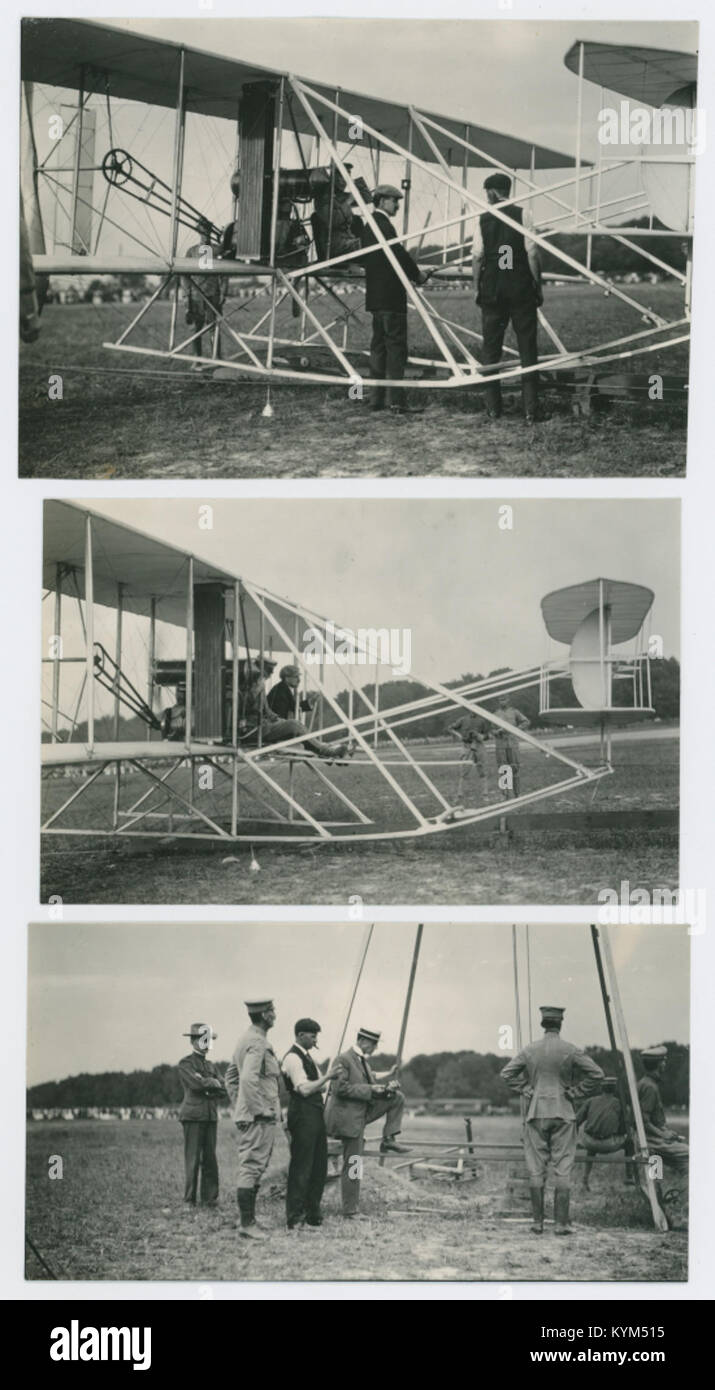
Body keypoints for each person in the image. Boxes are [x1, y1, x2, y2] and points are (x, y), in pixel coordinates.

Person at [501, 1005, 604, 1236]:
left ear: (542, 1024)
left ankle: (537, 1223)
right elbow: (597, 1074)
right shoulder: (570, 1050)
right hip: (564, 1113)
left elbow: (506, 1073)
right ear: (560, 1024)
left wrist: (526, 1089)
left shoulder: (530, 1050)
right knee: (563, 1170)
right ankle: (560, 1224)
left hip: (536, 1113)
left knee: (536, 1171)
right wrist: (576, 1092)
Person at [473, 172, 543, 423]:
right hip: (520, 289)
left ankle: (493, 408)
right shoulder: (524, 214)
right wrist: (538, 285)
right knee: (527, 349)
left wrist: (475, 287)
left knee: (490, 349)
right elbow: (532, 253)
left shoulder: (482, 219)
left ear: (492, 192)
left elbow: (478, 256)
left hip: (492, 290)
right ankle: (531, 410)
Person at [325, 1027, 410, 1219]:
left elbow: (371, 1084)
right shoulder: (343, 1059)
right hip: (346, 1120)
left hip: (360, 1114)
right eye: (373, 1044)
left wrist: (386, 1087)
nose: (374, 1049)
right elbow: (340, 1088)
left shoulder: (362, 1061)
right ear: (362, 1040)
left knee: (396, 1097)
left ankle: (389, 1138)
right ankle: (350, 1210)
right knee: (354, 1163)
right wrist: (372, 1089)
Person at [361, 184, 428, 416]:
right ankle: (397, 402)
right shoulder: (383, 226)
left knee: (378, 349)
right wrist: (418, 275)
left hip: (376, 298)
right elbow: (398, 254)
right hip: (391, 299)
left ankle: (375, 400)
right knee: (396, 350)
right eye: (393, 201)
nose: (397, 205)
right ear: (381, 201)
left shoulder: (369, 225)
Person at [226, 998, 282, 1241]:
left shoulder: (245, 1039)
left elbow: (230, 1077)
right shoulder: (257, 1042)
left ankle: (246, 1219)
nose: (275, 1014)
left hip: (252, 1114)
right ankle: (247, 1224)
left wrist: (241, 1107)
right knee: (252, 1167)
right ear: (266, 1016)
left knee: (254, 1166)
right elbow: (247, 1079)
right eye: (273, 1011)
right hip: (259, 1117)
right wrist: (258, 1110)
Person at [281, 1018, 340, 1230]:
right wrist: (327, 1078)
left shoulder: (308, 1058)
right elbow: (304, 1089)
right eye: (313, 1035)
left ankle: (312, 1213)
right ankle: (294, 1216)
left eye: (317, 1035)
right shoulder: (292, 1058)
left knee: (318, 1166)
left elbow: (319, 1087)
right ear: (300, 1035)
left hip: (315, 1114)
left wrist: (325, 1080)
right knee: (301, 1166)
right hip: (302, 1114)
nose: (316, 1039)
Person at [240, 670, 349, 760]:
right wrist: (281, 721)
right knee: (294, 725)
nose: (299, 680)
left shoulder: (283, 689)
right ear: (287, 677)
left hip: (266, 724)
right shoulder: (280, 690)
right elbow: (274, 710)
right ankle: (325, 750)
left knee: (296, 725)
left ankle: (325, 749)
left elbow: (275, 710)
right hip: (260, 729)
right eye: (296, 677)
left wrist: (308, 703)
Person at [637, 1045, 689, 1227]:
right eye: (664, 1061)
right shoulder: (650, 1087)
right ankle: (682, 1211)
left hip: (651, 1143)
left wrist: (666, 1133)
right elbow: (644, 1120)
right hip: (654, 1143)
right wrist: (664, 1135)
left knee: (656, 1176)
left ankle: (662, 1211)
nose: (665, 1064)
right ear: (658, 1065)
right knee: (692, 1160)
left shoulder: (646, 1083)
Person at [177, 1023, 227, 1208]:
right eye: (202, 1039)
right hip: (193, 1116)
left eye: (208, 1040)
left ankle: (210, 1199)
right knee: (193, 1159)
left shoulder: (211, 1065)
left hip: (209, 1116)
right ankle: (189, 1200)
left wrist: (209, 1084)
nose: (205, 1043)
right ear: (192, 1040)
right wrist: (211, 1083)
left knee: (210, 1159)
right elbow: (195, 1085)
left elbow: (223, 1090)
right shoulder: (185, 1064)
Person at [183, 217, 227, 365]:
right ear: (198, 232)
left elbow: (225, 272)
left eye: (207, 231)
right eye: (202, 231)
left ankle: (217, 357)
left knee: (213, 327)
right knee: (196, 328)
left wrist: (224, 291)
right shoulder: (191, 251)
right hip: (196, 296)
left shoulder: (217, 250)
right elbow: (185, 276)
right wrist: (186, 295)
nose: (205, 235)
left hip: (213, 294)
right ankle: (197, 358)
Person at [575, 1077, 630, 1190]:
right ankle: (629, 1176)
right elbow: (625, 1129)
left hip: (589, 1142)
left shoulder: (591, 1101)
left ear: (601, 1088)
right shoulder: (619, 1104)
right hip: (608, 1144)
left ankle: (585, 1179)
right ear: (614, 1089)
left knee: (591, 1147)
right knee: (630, 1143)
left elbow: (576, 1121)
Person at [447, 711, 489, 808]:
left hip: (479, 746)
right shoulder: (462, 719)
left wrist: (479, 736)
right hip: (466, 746)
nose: (473, 711)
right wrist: (460, 736)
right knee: (464, 772)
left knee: (482, 771)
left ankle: (485, 794)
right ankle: (459, 795)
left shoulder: (482, 720)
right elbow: (450, 728)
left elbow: (487, 735)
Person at [492, 695, 530, 799]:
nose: (502, 702)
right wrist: (497, 732)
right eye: (500, 700)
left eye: (504, 699)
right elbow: (492, 730)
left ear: (508, 700)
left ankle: (518, 793)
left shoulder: (514, 712)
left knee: (515, 768)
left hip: (512, 743)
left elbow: (526, 721)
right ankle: (505, 795)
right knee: (503, 769)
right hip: (501, 744)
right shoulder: (495, 714)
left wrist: (516, 730)